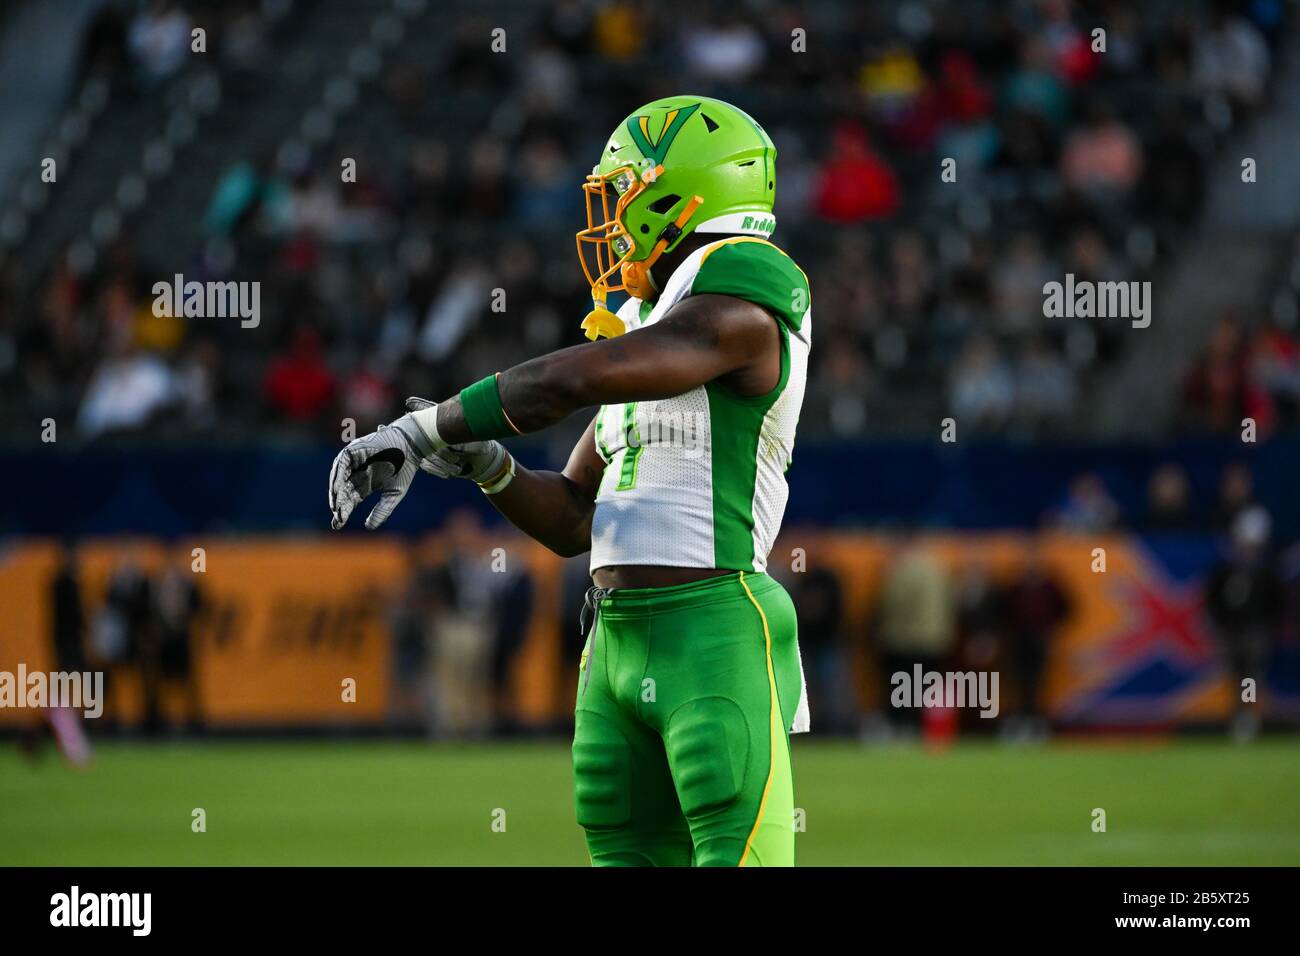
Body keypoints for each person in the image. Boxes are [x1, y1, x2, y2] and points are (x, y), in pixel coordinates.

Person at [328, 96, 811, 866]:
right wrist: (489, 465)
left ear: (680, 194)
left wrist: (427, 428)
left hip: (712, 629)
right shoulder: (660, 327)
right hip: (613, 636)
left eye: (624, 191)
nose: (613, 215)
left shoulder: (747, 290)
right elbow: (572, 518)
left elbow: (567, 382)